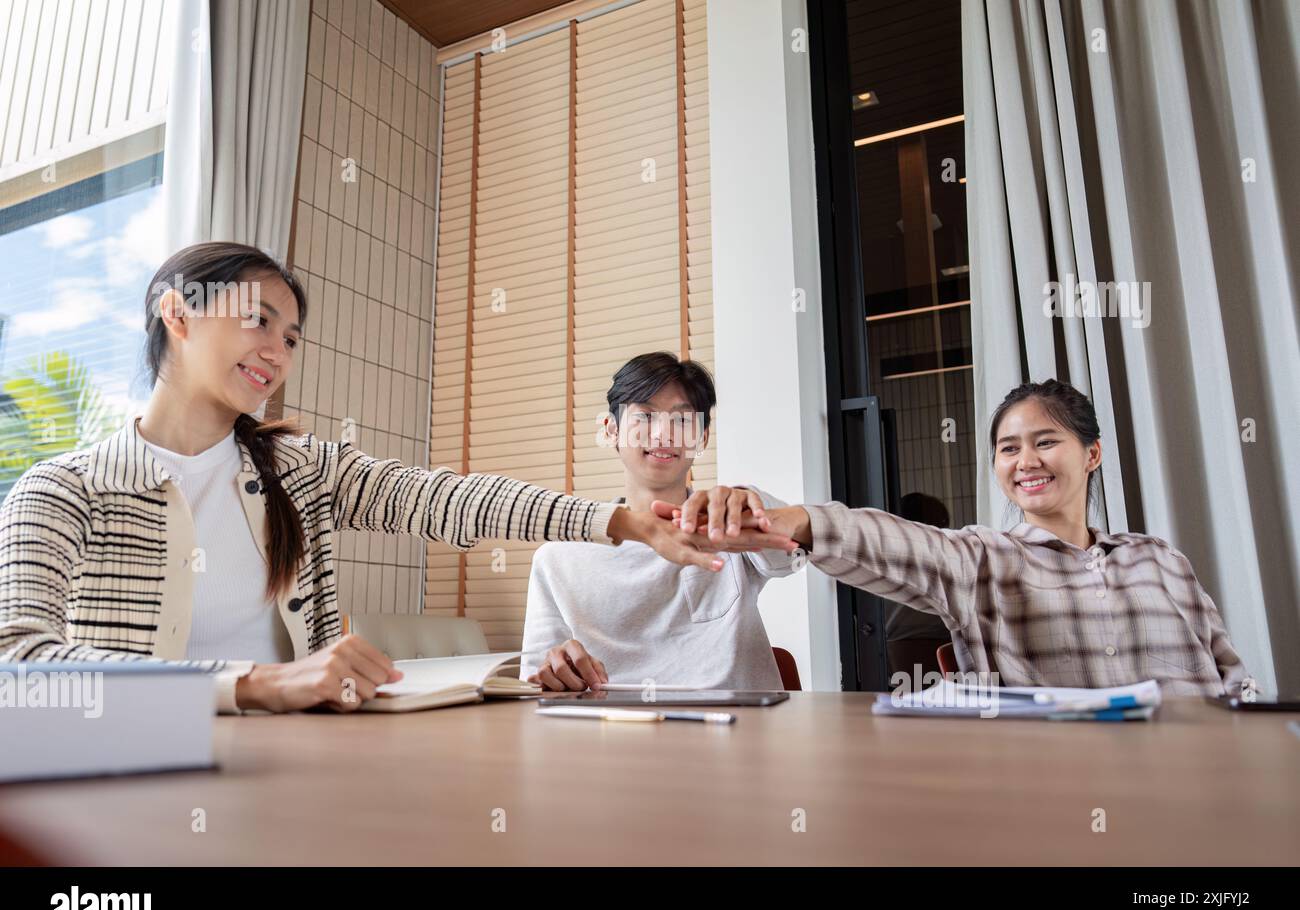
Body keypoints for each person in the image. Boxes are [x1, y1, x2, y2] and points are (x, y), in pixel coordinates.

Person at [0, 242, 794, 714]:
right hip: (137, 782)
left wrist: (619, 523)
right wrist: (255, 685)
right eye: (257, 320)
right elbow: (21, 673)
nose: (277, 348)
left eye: (291, 334)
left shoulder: (301, 469)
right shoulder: (62, 489)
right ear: (175, 314)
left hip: (303, 767)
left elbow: (448, 499)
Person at [663, 379, 1249, 696]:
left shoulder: (1159, 559)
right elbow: (891, 540)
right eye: (1008, 448)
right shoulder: (982, 559)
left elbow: (1233, 678)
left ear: (1091, 453)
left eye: (1046, 442)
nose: (1026, 461)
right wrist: (792, 520)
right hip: (1061, 785)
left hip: (1205, 777)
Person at [521, 352, 796, 691]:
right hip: (612, 733)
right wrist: (556, 670)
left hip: (735, 731)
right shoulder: (559, 558)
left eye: (682, 421)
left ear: (702, 438)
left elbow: (791, 553)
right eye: (646, 416)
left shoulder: (730, 526)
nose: (664, 435)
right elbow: (535, 683)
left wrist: (754, 505)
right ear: (611, 431)